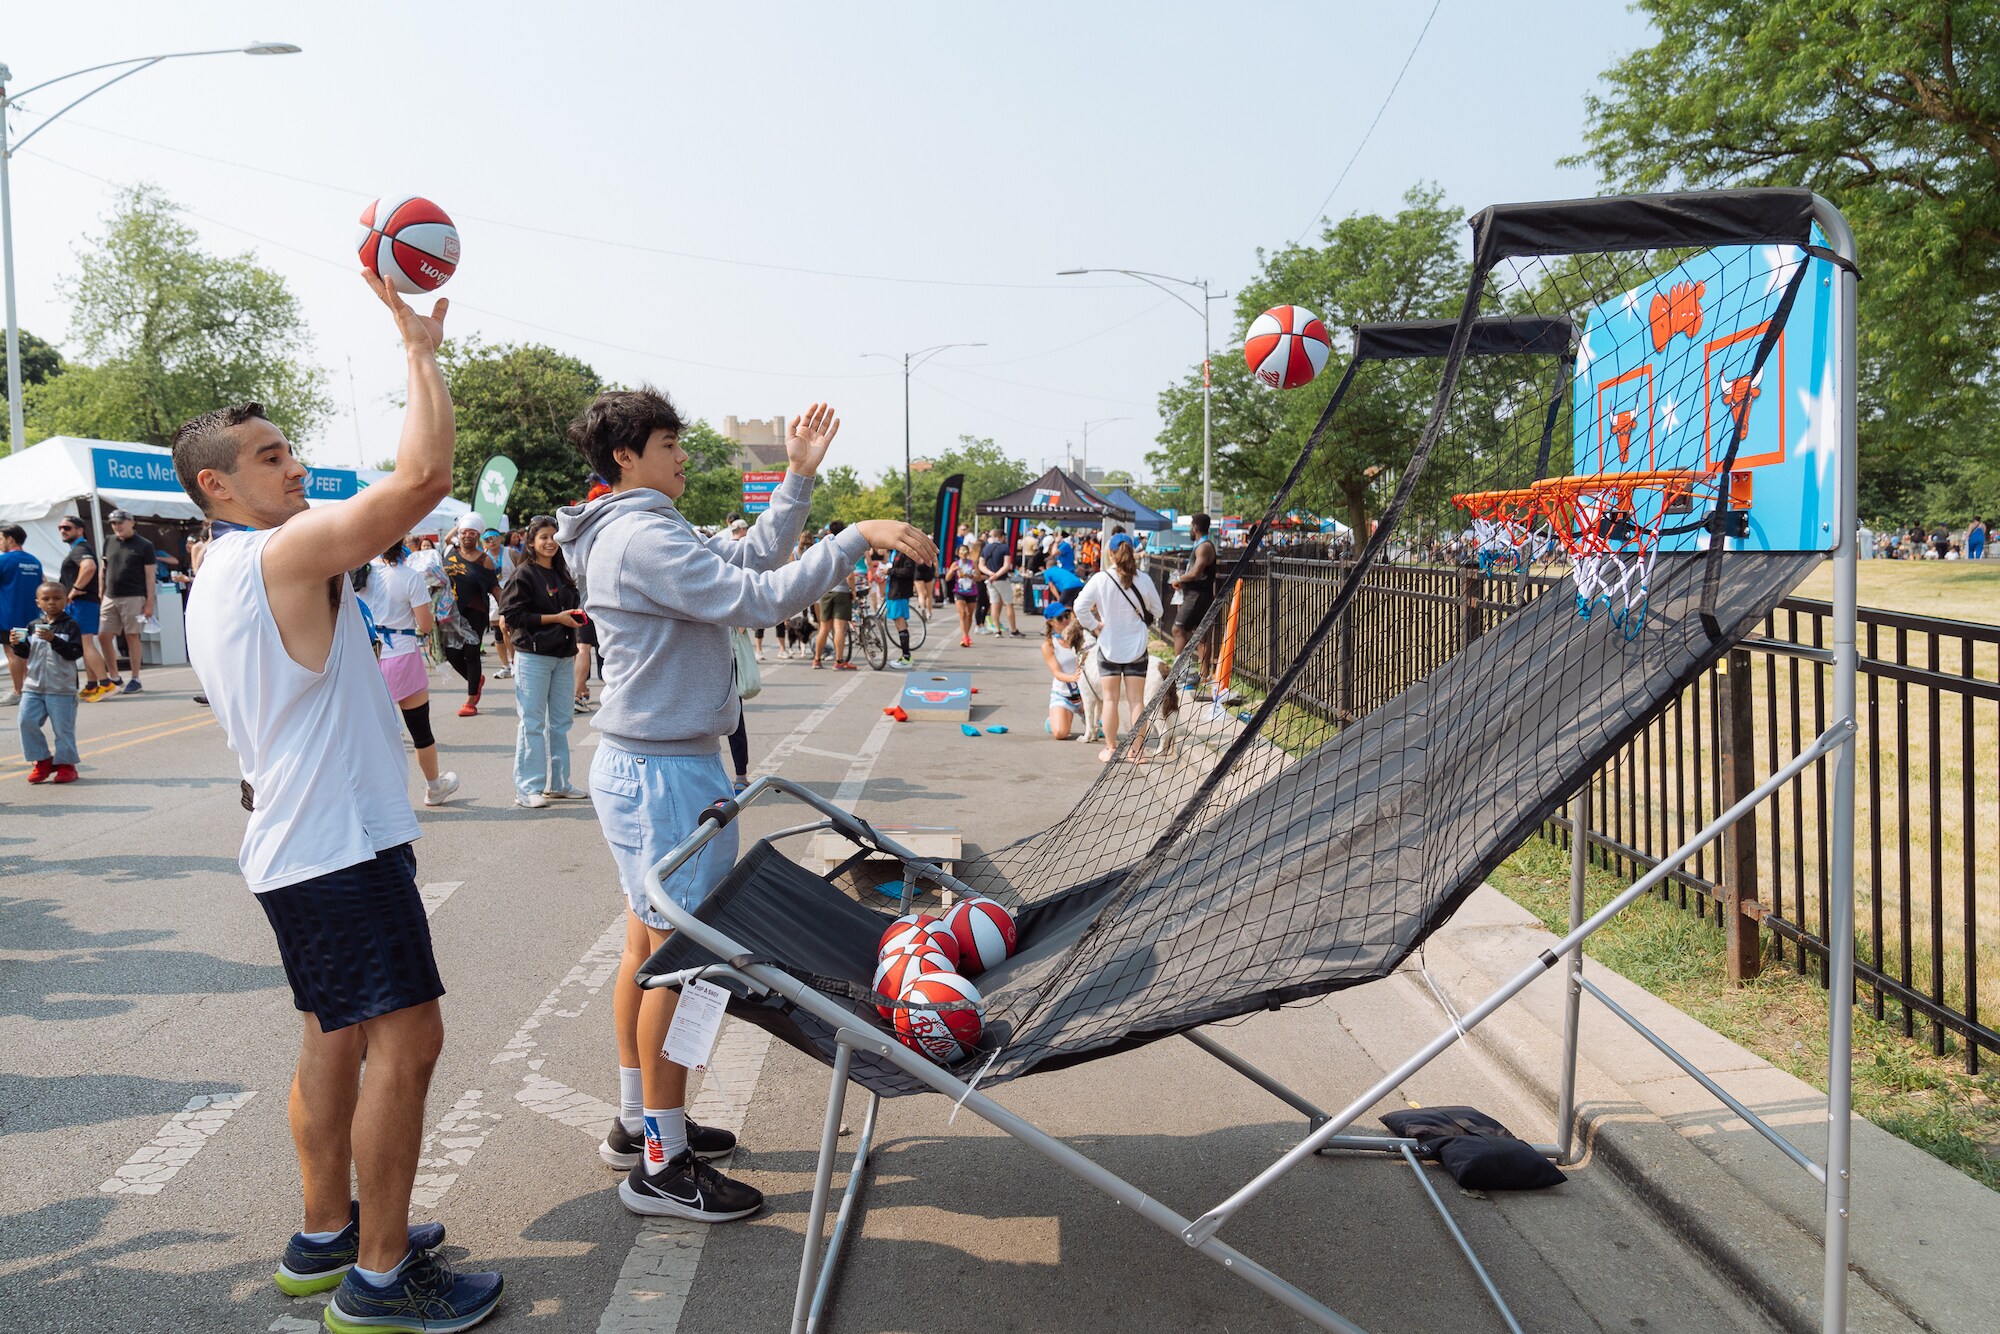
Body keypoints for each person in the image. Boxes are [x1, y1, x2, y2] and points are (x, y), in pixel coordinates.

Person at [174, 272, 503, 1328]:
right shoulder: (276, 553)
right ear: (216, 487)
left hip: (301, 844)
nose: (293, 464)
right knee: (406, 1046)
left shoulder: (217, 574)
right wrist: (418, 351)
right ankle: (376, 1275)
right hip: (337, 850)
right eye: (267, 456)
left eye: (286, 448)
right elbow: (422, 477)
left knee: (333, 1038)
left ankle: (325, 1235)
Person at [555, 389, 935, 1224]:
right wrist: (851, 540)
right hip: (665, 774)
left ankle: (640, 1121)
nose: (682, 454)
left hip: (651, 764)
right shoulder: (642, 533)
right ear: (625, 455)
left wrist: (797, 477)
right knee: (682, 962)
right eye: (667, 442)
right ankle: (663, 1161)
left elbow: (751, 560)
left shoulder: (635, 524)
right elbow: (757, 601)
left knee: (644, 945)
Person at [357, 541, 460, 808]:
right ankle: (434, 788)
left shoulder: (359, 572)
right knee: (420, 731)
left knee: (371, 734)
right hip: (402, 656)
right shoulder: (410, 577)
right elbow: (425, 626)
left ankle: (373, 798)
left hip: (367, 656)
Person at [499, 515, 585, 809]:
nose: (550, 542)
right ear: (531, 542)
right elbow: (512, 616)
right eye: (544, 537)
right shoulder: (524, 574)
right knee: (532, 723)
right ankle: (528, 788)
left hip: (563, 655)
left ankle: (559, 784)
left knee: (561, 722)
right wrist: (556, 618)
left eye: (554, 537)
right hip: (532, 657)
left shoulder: (563, 573)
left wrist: (572, 618)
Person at [1074, 533, 1163, 764]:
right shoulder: (1143, 579)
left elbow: (1079, 606)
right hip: (1137, 647)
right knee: (1136, 701)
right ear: (1132, 552)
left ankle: (1111, 748)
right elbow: (1159, 611)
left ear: (1110, 553)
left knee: (1110, 700)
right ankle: (1137, 751)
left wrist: (1095, 626)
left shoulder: (1100, 579)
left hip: (1108, 645)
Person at [13, 581, 84, 782]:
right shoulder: (34, 625)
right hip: (33, 686)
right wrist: (18, 644)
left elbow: (74, 653)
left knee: (63, 728)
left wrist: (54, 639)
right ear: (38, 603)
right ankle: (42, 760)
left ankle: (66, 765)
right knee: (26, 721)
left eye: (57, 598)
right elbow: (26, 653)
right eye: (46, 599)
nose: (51, 602)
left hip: (61, 687)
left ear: (66, 600)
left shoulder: (71, 625)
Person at [54, 516, 115, 700]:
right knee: (84, 643)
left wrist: (75, 590)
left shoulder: (80, 548)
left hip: (82, 603)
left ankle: (106, 684)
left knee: (86, 643)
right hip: (84, 603)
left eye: (67, 527)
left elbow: (89, 567)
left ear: (80, 530)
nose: (62, 531)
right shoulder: (78, 548)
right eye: (60, 528)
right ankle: (92, 684)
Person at [440, 520, 498, 715]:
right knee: (452, 655)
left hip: (476, 612)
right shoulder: (450, 554)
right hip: (450, 613)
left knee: (471, 653)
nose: (467, 536)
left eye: (472, 533)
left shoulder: (485, 560)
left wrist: (509, 608)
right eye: (464, 532)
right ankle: (475, 680)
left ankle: (470, 701)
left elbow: (494, 587)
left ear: (478, 536)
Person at [98, 510, 156, 695]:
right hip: (110, 595)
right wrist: (101, 592)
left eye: (121, 522)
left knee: (132, 636)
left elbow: (150, 575)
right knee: (103, 635)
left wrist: (149, 603)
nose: (117, 526)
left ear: (132, 522)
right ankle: (114, 677)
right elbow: (103, 567)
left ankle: (135, 678)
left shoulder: (145, 545)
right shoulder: (109, 540)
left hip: (133, 596)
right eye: (114, 523)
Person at [1170, 513, 1220, 688]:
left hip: (1198, 596)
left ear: (1195, 527)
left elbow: (1196, 572)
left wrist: (1180, 579)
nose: (1190, 530)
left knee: (1178, 629)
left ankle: (1179, 672)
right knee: (1201, 636)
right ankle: (1204, 676)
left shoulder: (1204, 547)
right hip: (1199, 595)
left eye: (1191, 526)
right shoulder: (1201, 546)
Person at [0, 525, 45, 705]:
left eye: (1, 538)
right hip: (31, 616)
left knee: (13, 653)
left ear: (10, 539)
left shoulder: (5, 560)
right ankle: (30, 688)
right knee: (27, 654)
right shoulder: (35, 561)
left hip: (9, 617)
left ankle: (19, 692)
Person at [813, 520, 856, 670]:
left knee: (824, 628)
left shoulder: (823, 547)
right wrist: (854, 592)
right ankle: (839, 661)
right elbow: (850, 576)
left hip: (826, 592)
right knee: (839, 628)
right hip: (842, 592)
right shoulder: (846, 547)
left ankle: (817, 659)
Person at [1040, 601, 1086, 739]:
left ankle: (1089, 719)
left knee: (1104, 725)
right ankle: (1054, 719)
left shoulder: (1081, 637)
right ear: (1051, 623)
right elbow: (1057, 673)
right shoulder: (1048, 645)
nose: (1065, 620)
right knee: (1061, 733)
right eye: (1060, 618)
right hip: (1064, 694)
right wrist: (1074, 678)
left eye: (1067, 615)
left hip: (1085, 694)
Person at [484, 529, 517, 680]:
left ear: (500, 538)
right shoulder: (483, 556)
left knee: (509, 628)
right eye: (487, 539)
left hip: (512, 595)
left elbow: (522, 571)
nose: (491, 541)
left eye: (494, 538)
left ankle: (515, 661)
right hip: (493, 597)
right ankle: (505, 666)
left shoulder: (511, 553)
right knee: (498, 630)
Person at [884, 547, 919, 668]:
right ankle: (905, 656)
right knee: (899, 622)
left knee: (900, 622)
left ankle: (906, 657)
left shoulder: (906, 552)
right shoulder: (895, 551)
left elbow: (908, 571)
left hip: (899, 591)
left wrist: (890, 571)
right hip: (894, 591)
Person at [981, 529, 1020, 636]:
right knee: (1008, 604)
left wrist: (990, 574)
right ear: (1002, 537)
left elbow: (981, 565)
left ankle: (997, 629)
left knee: (994, 604)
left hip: (990, 580)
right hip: (1002, 579)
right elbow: (1006, 565)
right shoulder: (1004, 548)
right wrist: (997, 575)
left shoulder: (986, 548)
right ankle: (1013, 629)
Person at [947, 538, 983, 647]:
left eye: (965, 551)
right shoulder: (955, 564)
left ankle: (967, 634)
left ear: (968, 553)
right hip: (959, 591)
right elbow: (947, 578)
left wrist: (971, 576)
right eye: (961, 551)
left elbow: (978, 578)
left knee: (969, 615)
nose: (963, 553)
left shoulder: (973, 563)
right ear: (958, 553)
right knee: (962, 614)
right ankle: (964, 637)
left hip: (972, 592)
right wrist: (953, 571)